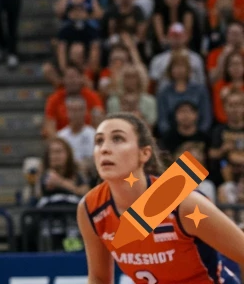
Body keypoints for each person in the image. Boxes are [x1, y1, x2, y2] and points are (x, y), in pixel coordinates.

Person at [78, 113, 244, 283]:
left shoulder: (182, 203)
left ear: (144, 153)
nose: (104, 148)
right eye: (99, 141)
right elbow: (99, 278)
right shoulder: (90, 207)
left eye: (118, 139)